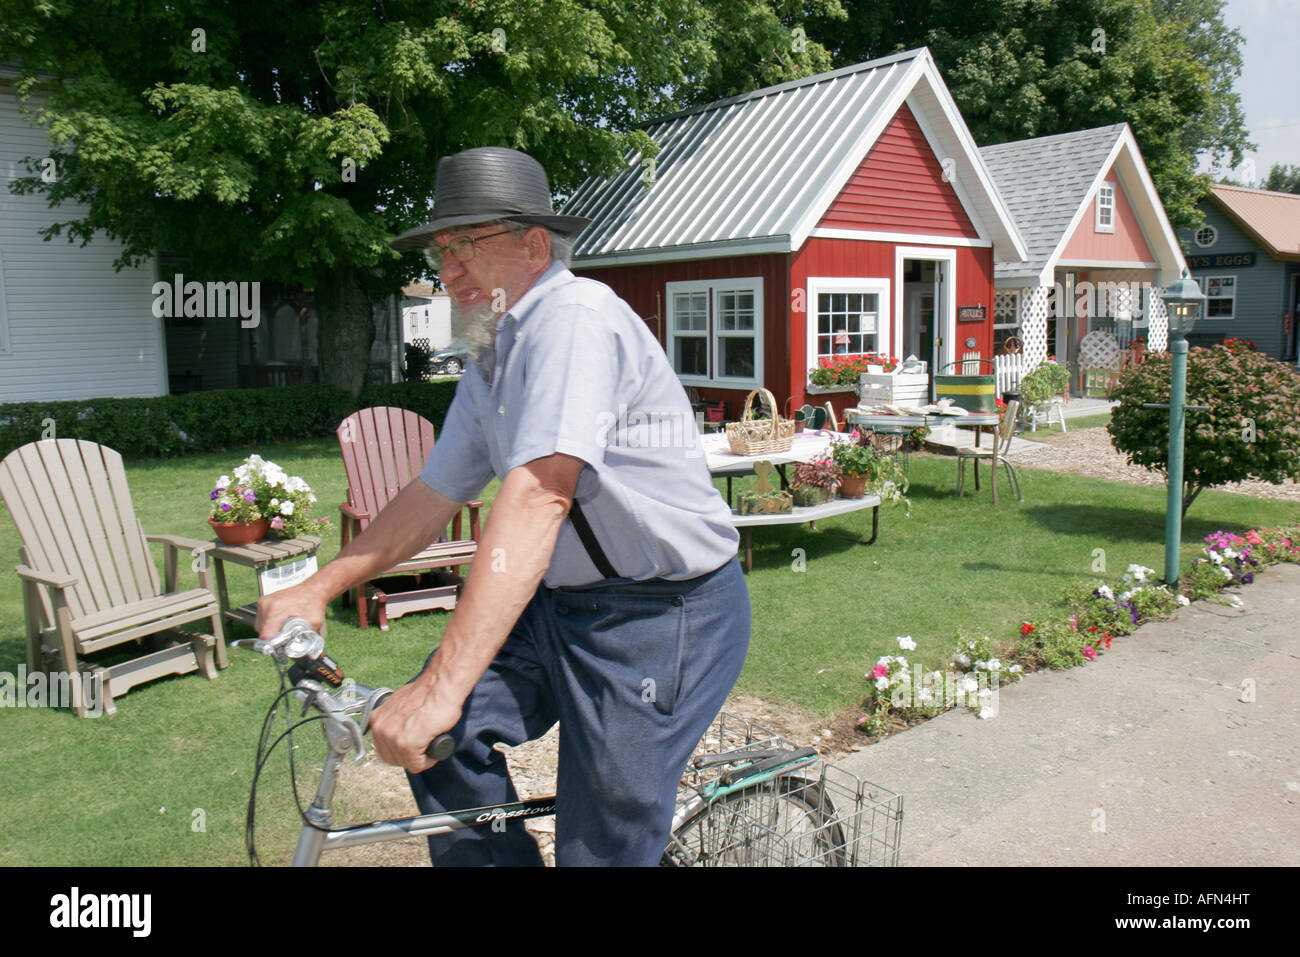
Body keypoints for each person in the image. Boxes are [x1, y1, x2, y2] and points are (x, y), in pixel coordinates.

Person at [255, 146, 751, 866]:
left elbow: (538, 494)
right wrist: (318, 586)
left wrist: (443, 684)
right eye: (442, 248)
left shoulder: (574, 319)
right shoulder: (492, 346)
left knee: (600, 849)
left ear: (533, 244)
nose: (445, 269)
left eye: (466, 246)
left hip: (666, 615)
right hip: (564, 605)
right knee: (438, 745)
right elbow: (434, 492)